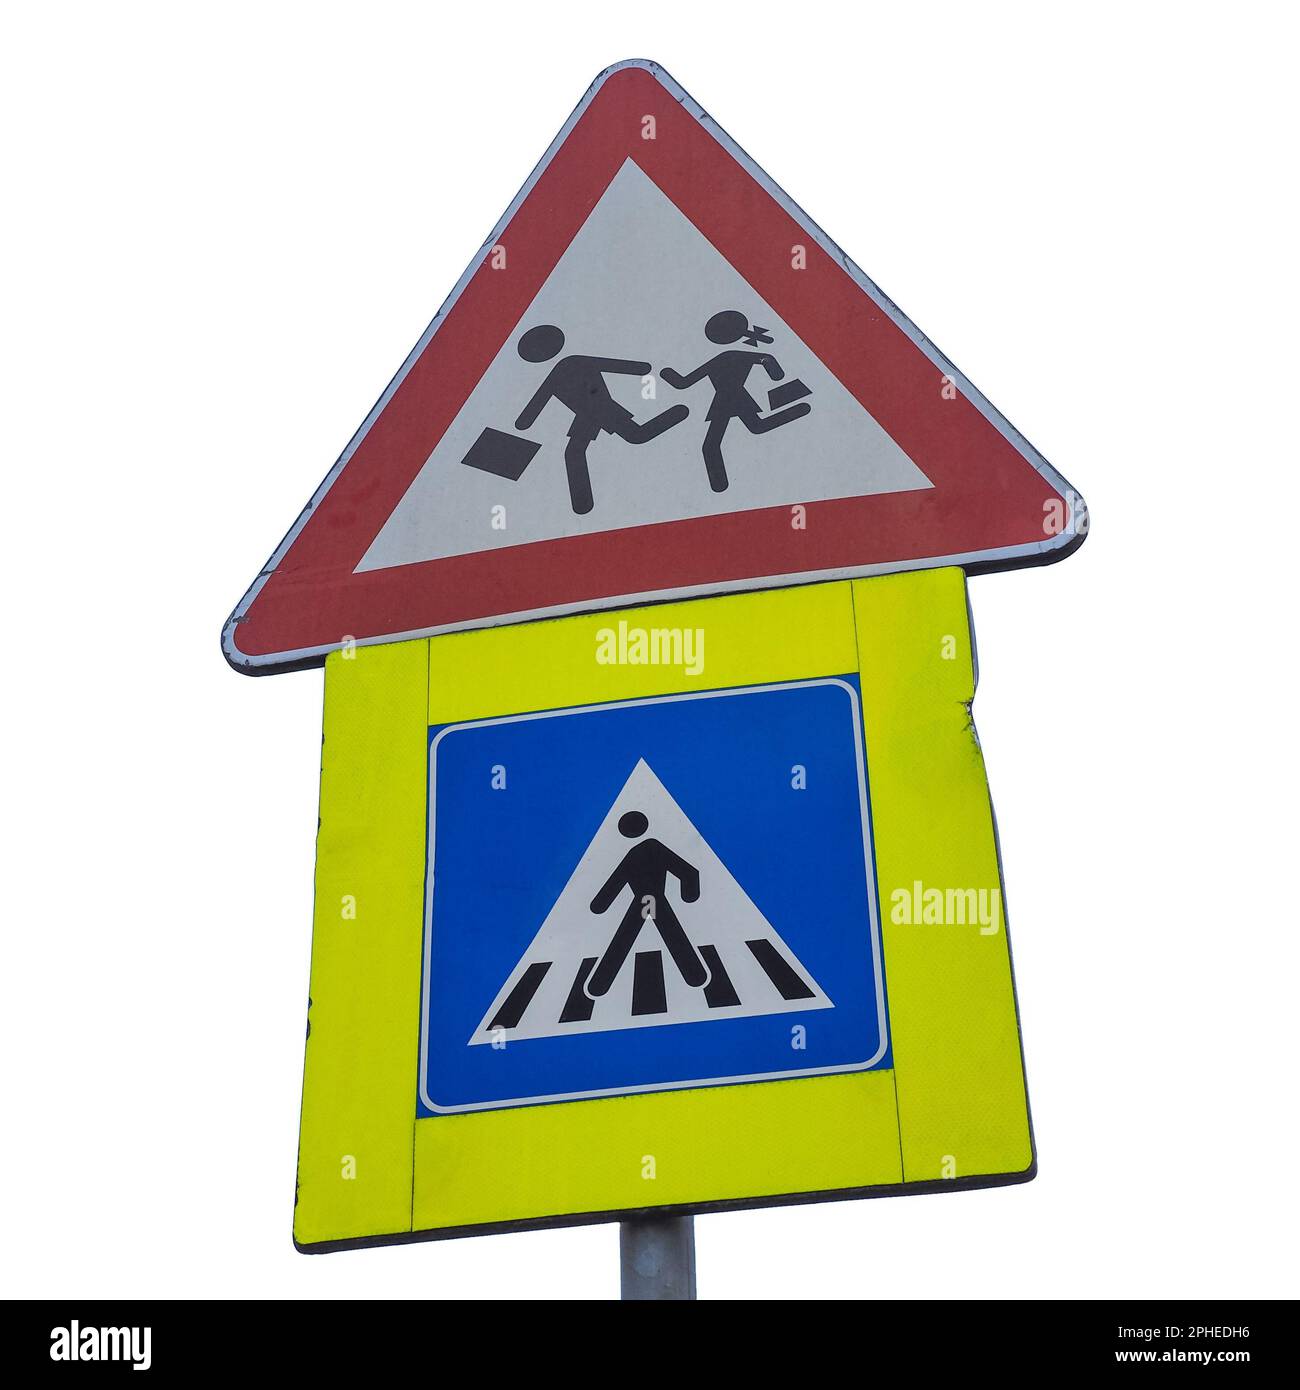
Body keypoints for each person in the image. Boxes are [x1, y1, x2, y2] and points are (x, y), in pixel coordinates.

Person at [513, 324, 689, 515]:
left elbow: (534, 406)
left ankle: (676, 414)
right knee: (575, 452)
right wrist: (641, 369)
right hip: (586, 415)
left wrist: (640, 369)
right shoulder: (565, 368)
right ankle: (582, 503)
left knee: (634, 436)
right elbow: (537, 403)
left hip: (603, 408)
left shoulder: (569, 366)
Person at [661, 309, 811, 493]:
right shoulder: (726, 357)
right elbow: (684, 382)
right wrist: (668, 375)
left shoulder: (729, 357)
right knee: (747, 430)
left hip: (731, 399)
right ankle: (719, 485)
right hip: (728, 400)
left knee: (719, 441)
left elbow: (767, 359)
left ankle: (799, 410)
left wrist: (774, 372)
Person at [587, 810, 706, 997]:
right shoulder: (643, 850)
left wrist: (600, 905)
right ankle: (696, 976)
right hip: (647, 902)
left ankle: (599, 985)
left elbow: (687, 871)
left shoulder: (644, 850)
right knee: (668, 936)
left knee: (626, 940)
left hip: (648, 901)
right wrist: (688, 894)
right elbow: (687, 871)